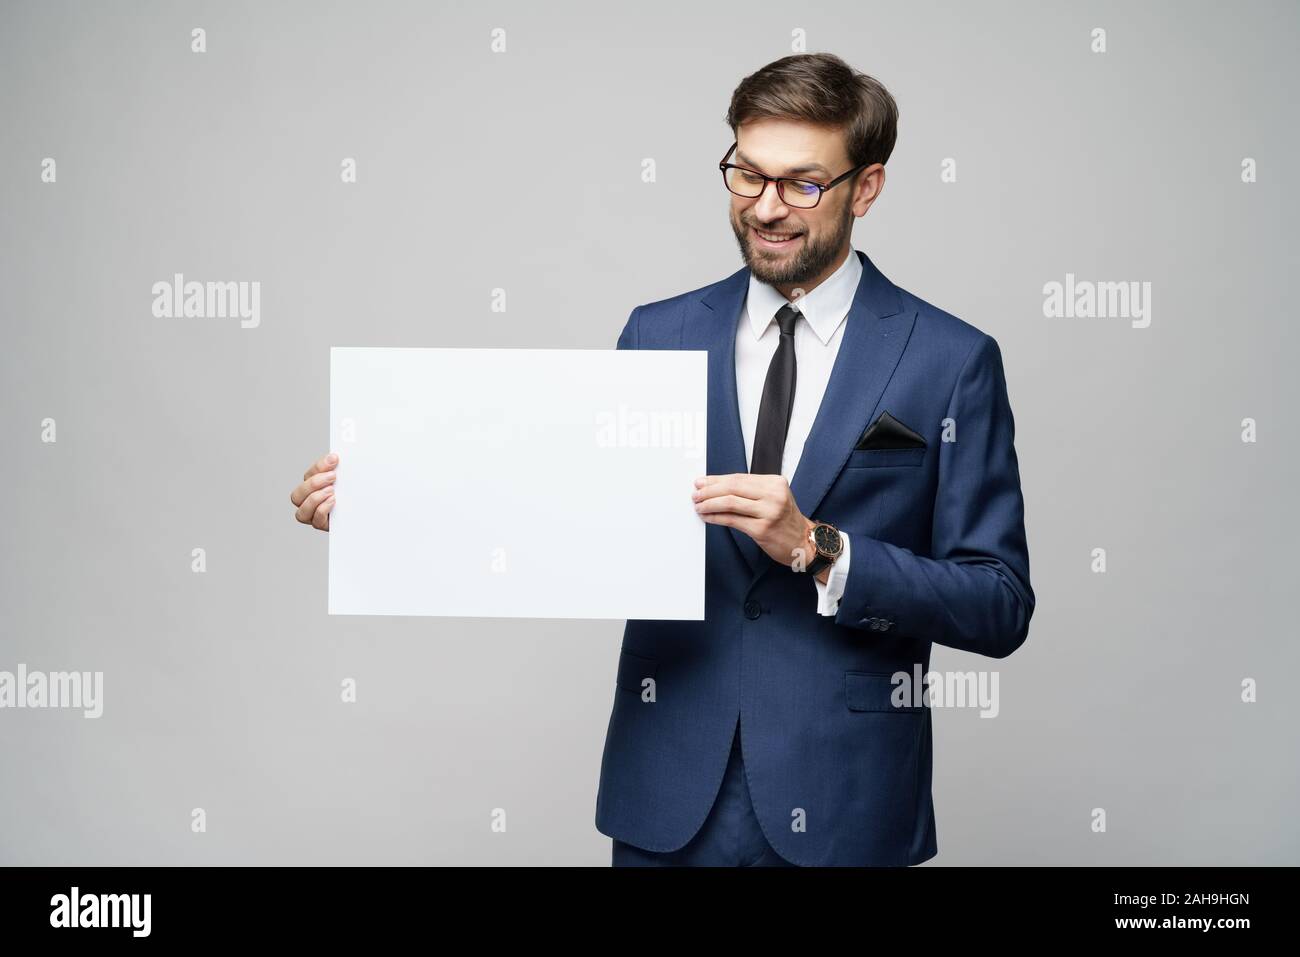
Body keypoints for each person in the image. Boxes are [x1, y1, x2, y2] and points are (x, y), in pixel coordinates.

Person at [290, 52, 1035, 867]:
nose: (766, 208)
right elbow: (563, 526)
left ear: (868, 187)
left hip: (847, 802)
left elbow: (998, 604)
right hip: (669, 793)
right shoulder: (658, 333)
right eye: (746, 175)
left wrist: (820, 549)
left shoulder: (950, 359)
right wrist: (391, 512)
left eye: (801, 183)